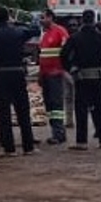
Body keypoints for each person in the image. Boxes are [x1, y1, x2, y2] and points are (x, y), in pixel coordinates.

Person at [0, 6, 40, 157]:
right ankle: (28, 147)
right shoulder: (18, 32)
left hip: (1, 75)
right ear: (8, 17)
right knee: (23, 111)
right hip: (18, 73)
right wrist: (17, 23)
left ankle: (9, 149)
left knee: (4, 113)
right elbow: (36, 29)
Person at [60, 9, 101, 150]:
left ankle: (82, 142)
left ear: (82, 21)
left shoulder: (75, 37)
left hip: (81, 76)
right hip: (98, 75)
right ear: (94, 20)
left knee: (81, 109)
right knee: (100, 108)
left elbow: (63, 55)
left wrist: (71, 68)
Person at [38, 8, 71, 144]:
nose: (41, 20)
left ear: (51, 17)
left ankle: (59, 133)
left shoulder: (60, 31)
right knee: (50, 104)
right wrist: (40, 74)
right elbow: (42, 56)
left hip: (56, 74)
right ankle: (55, 132)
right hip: (46, 74)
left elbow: (67, 50)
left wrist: (64, 69)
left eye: (43, 17)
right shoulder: (45, 34)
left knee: (56, 104)